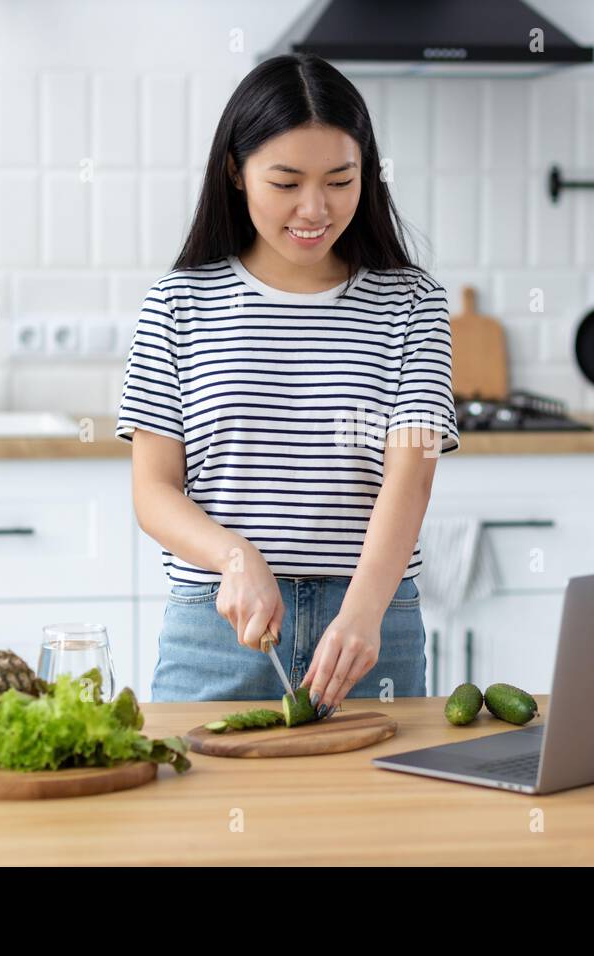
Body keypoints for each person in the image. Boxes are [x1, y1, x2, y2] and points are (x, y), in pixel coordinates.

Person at [115, 53, 460, 717]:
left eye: (340, 180)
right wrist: (234, 557)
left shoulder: (412, 303)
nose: (314, 208)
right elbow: (153, 491)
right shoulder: (177, 304)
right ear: (236, 174)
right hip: (217, 629)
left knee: (378, 818)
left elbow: (409, 477)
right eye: (286, 182)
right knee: (201, 815)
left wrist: (361, 615)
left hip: (370, 625)